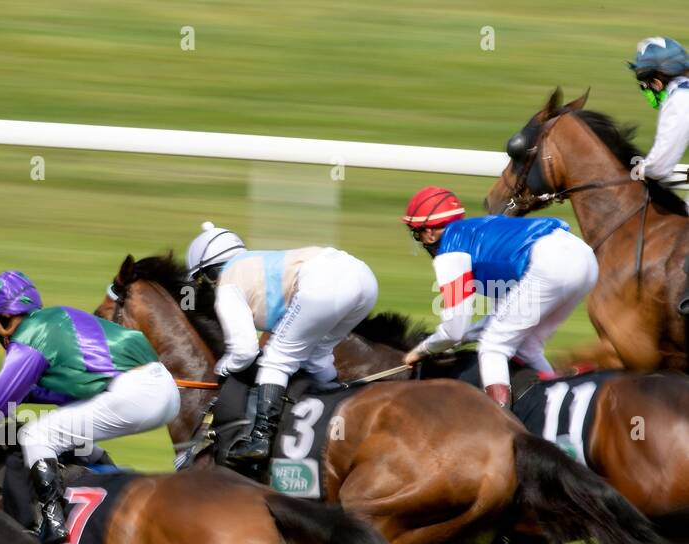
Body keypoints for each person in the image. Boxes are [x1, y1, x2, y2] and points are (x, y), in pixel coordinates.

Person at [0, 270, 179, 544]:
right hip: (163, 389)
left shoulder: (28, 336)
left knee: (35, 436)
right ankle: (107, 475)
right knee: (67, 427)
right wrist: (24, 395)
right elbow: (69, 395)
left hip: (136, 395)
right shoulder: (58, 318)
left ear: (4, 320)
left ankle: (53, 523)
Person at [184, 222, 378, 464]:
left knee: (276, 358)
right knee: (316, 356)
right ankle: (337, 412)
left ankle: (260, 439)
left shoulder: (227, 284)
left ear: (209, 273)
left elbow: (244, 351)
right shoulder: (253, 263)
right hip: (365, 280)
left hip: (325, 283)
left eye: (204, 280)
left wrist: (222, 367)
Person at [400, 187, 598, 407]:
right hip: (584, 258)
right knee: (528, 345)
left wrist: (421, 351)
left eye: (417, 234)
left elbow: (454, 328)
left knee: (493, 346)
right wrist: (459, 338)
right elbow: (500, 316)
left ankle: (503, 424)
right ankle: (557, 408)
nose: (421, 241)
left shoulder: (450, 251)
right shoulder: (482, 232)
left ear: (428, 232)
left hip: (552, 263)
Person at [628, 37, 689, 188]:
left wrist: (633, 170)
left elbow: (658, 168)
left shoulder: (680, 99)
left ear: (657, 80)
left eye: (645, 81)